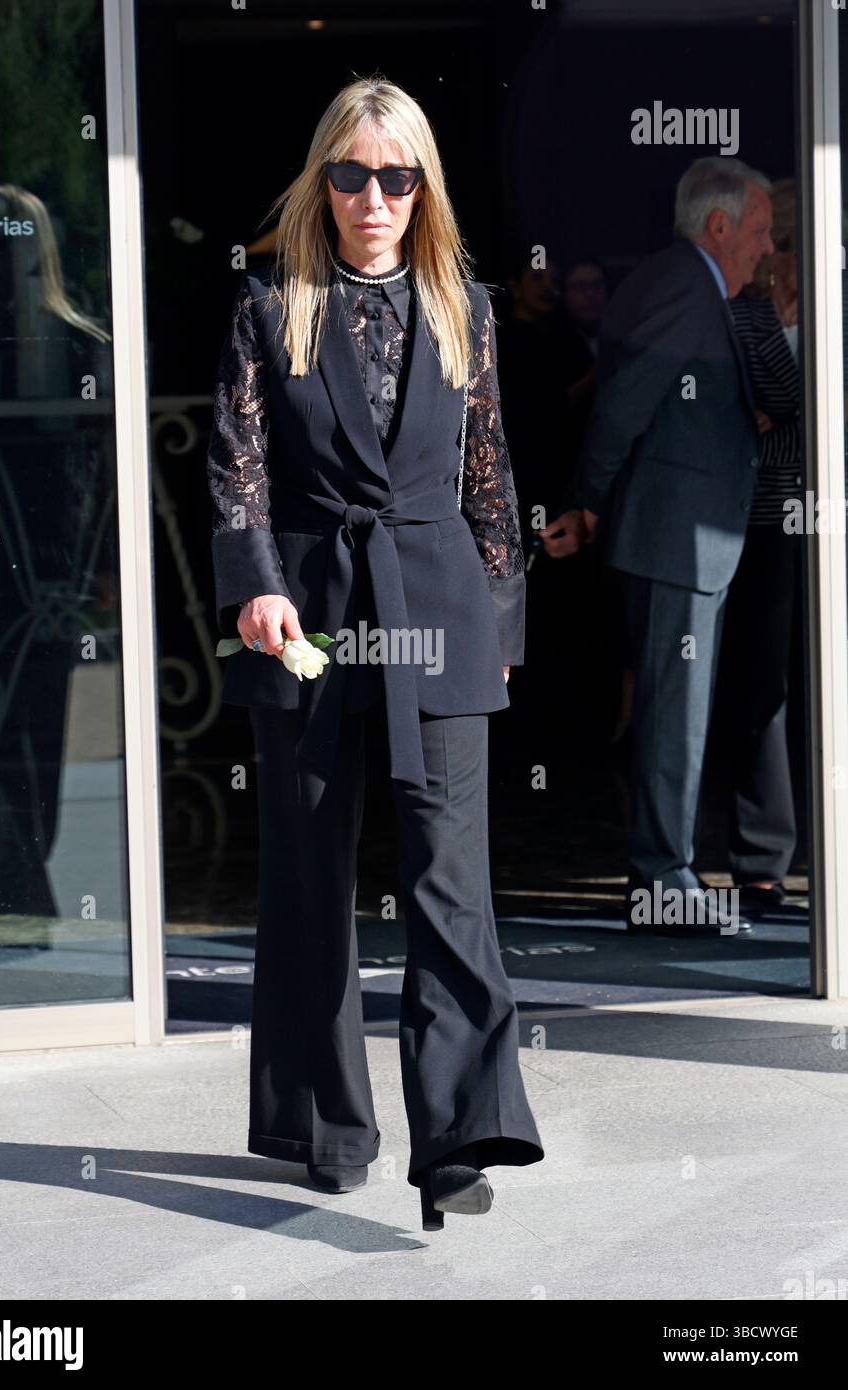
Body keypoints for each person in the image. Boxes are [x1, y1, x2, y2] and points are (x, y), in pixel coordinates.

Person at [205, 76, 544, 1231]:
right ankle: (321, 1124)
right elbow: (235, 465)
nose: (373, 197)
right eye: (351, 174)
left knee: (452, 884)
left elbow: (492, 480)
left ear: (422, 188)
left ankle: (458, 1137)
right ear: (323, 181)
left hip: (439, 606)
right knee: (310, 883)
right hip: (308, 617)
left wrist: (498, 628)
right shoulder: (267, 304)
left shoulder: (468, 308)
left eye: (397, 176)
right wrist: (253, 589)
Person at [541, 156, 774, 935]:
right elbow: (628, 403)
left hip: (680, 535)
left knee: (677, 713)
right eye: (760, 230)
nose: (766, 248)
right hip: (676, 536)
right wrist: (588, 500)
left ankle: (665, 870)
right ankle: (663, 879)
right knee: (676, 718)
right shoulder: (683, 284)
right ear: (719, 224)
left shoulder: (686, 283)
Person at [720, 179, 801, 916]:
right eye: (771, 237)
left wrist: (779, 416)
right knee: (762, 690)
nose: (778, 251)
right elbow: (740, 413)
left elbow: (786, 413)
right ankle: (762, 862)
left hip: (829, 518)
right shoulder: (738, 313)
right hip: (766, 522)